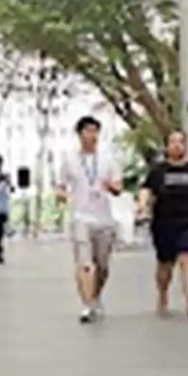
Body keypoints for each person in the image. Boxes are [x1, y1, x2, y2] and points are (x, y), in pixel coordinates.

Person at [140, 130, 188, 317]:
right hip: (164, 223)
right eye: (173, 142)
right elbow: (146, 190)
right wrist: (142, 207)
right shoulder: (158, 171)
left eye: (181, 142)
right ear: (167, 146)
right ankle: (163, 293)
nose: (177, 145)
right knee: (165, 265)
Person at [60, 115, 122, 323]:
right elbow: (62, 184)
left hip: (104, 218)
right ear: (79, 134)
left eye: (95, 131)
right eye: (88, 131)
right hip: (81, 217)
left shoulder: (108, 158)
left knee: (102, 266)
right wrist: (61, 195)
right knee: (85, 263)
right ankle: (87, 305)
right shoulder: (69, 159)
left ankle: (95, 296)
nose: (92, 136)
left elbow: (118, 187)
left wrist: (111, 187)